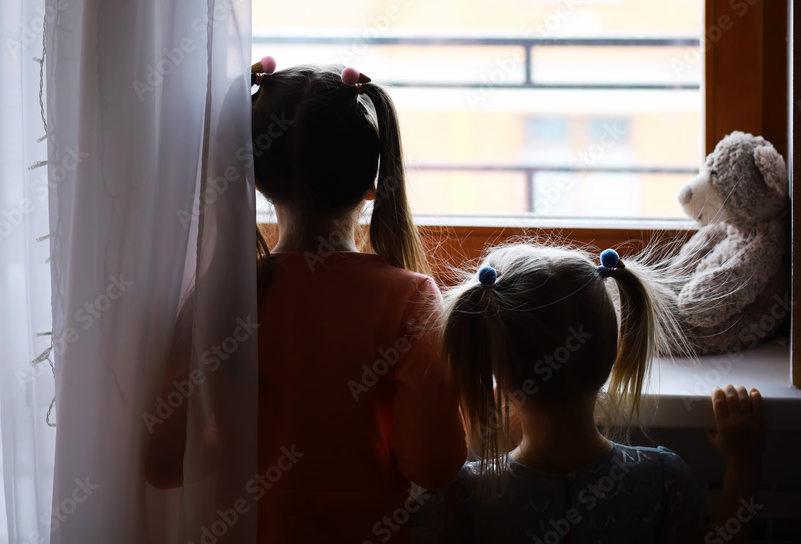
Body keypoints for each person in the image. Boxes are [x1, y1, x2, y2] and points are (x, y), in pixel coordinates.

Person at [147, 63, 467, 543]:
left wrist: (239, 436)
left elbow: (164, 463)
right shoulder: (410, 298)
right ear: (373, 182)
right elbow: (434, 465)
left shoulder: (222, 297)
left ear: (257, 179)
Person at [428, 243, 763, 543]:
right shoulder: (661, 478)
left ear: (497, 374)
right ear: (615, 352)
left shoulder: (466, 493)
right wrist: (743, 463)